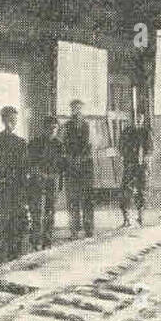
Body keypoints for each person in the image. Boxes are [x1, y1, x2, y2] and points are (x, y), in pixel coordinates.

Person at [0, 106, 29, 264]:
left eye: (14, 120)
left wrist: (24, 195)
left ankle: (15, 264)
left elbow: (25, 171)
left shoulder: (21, 143)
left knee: (16, 231)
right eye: (9, 120)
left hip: (17, 193)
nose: (12, 123)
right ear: (2, 120)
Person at [26, 114, 64, 250]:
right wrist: (39, 173)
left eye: (55, 128)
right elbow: (30, 162)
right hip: (37, 180)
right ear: (44, 128)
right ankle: (35, 240)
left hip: (52, 181)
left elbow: (62, 165)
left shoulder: (59, 145)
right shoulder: (34, 143)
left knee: (50, 211)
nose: (52, 130)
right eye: (49, 128)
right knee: (36, 212)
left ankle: (47, 240)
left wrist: (57, 180)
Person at [61, 98, 95, 239]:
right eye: (74, 109)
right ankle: (74, 230)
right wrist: (69, 159)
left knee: (87, 198)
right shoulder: (66, 127)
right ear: (71, 110)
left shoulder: (88, 126)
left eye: (79, 109)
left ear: (82, 110)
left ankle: (88, 228)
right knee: (72, 199)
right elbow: (62, 145)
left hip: (85, 166)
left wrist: (81, 158)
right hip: (71, 167)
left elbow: (91, 146)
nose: (76, 111)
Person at [119, 109, 153, 226]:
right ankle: (126, 219)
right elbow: (121, 147)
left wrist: (147, 163)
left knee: (141, 191)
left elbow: (149, 149)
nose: (138, 120)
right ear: (132, 119)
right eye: (136, 118)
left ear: (143, 119)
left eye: (140, 118)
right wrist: (125, 156)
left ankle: (140, 217)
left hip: (141, 166)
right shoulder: (126, 132)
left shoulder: (146, 132)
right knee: (125, 191)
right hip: (129, 165)